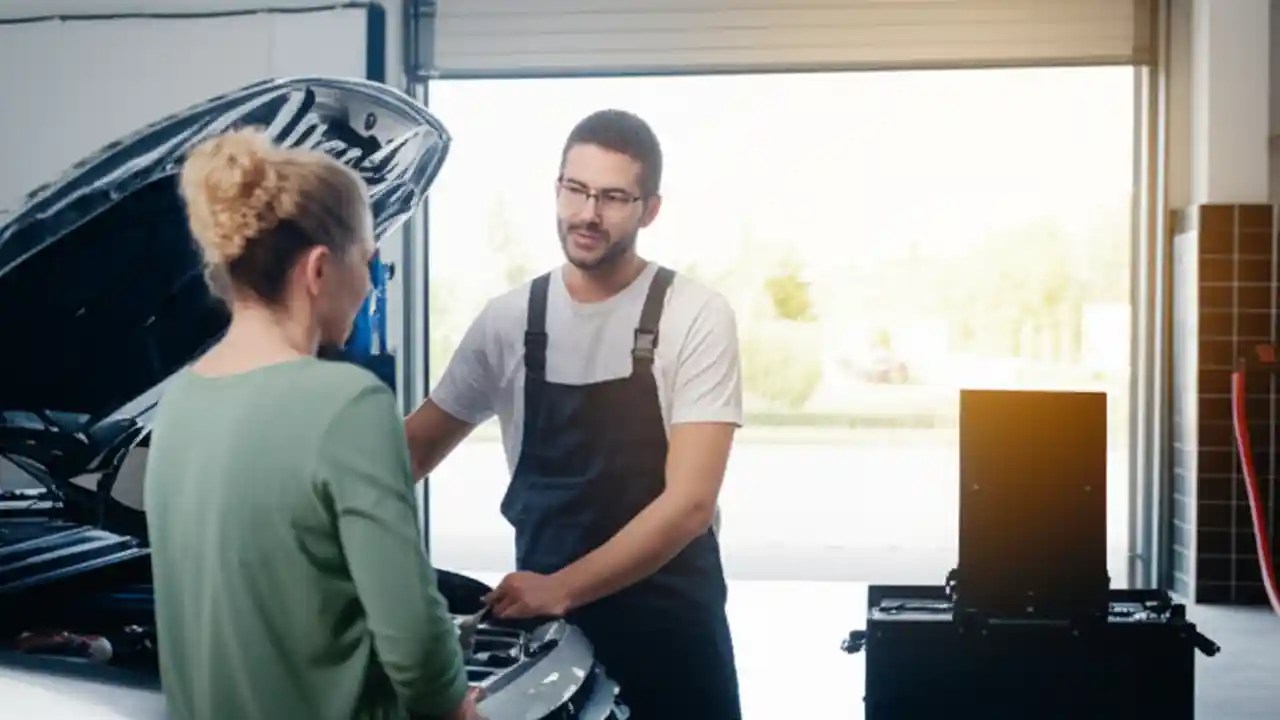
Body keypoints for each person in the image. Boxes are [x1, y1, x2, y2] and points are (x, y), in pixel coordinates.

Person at [405, 109, 744, 719]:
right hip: (549, 644)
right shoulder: (508, 321)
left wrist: (560, 589)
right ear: (557, 188)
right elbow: (413, 450)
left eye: (614, 197)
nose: (588, 214)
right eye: (576, 190)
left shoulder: (693, 315)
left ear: (650, 208)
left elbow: (690, 504)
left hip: (673, 633)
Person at [142, 128, 482, 720]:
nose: (372, 284)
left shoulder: (180, 405)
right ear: (319, 269)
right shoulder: (347, 404)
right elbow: (415, 642)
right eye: (369, 261)